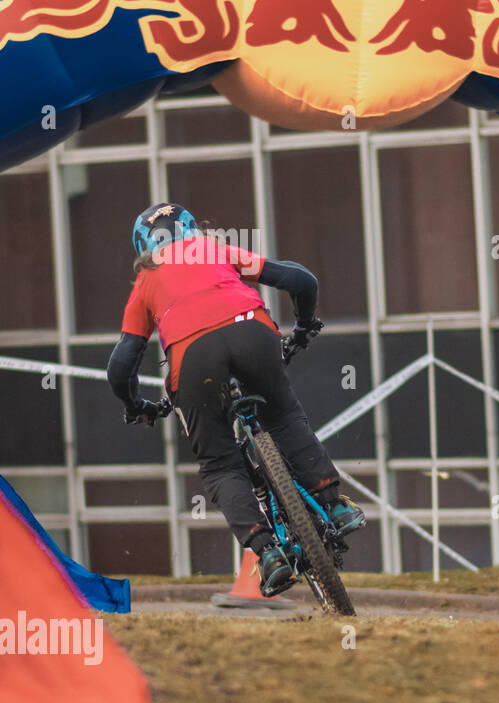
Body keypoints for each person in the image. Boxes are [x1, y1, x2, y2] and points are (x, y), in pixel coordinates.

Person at [107, 203, 364, 596]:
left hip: (193, 356)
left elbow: (121, 363)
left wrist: (134, 405)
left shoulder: (146, 279)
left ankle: (268, 554)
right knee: (283, 417)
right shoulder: (214, 249)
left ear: (142, 246)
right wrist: (306, 323)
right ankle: (335, 506)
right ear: (191, 229)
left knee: (220, 462)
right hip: (251, 329)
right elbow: (300, 279)